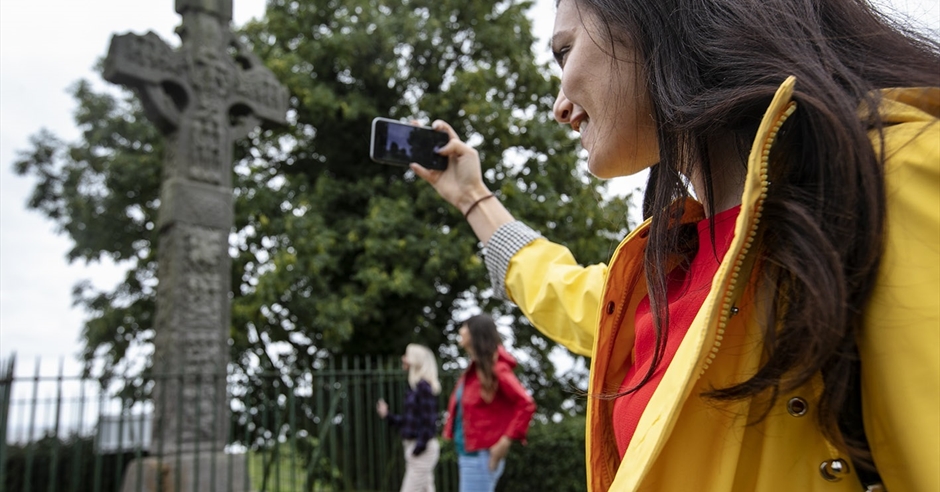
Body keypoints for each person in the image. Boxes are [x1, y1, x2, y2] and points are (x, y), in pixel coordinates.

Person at [408, 0, 940, 490]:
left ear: (650, 18)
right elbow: (555, 286)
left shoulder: (888, 178)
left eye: (564, 52)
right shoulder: (660, 275)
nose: (559, 107)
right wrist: (471, 195)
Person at [443, 313, 536, 492]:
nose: (460, 331)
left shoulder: (497, 368)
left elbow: (526, 404)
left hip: (481, 457)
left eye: (464, 327)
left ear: (474, 333)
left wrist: (505, 441)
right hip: (470, 455)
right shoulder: (475, 370)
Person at [377, 344, 442, 492]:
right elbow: (410, 422)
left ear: (415, 361)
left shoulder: (424, 387)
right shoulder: (415, 387)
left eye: (406, 356)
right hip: (415, 447)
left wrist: (418, 448)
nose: (403, 359)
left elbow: (429, 421)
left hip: (421, 449)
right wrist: (388, 415)